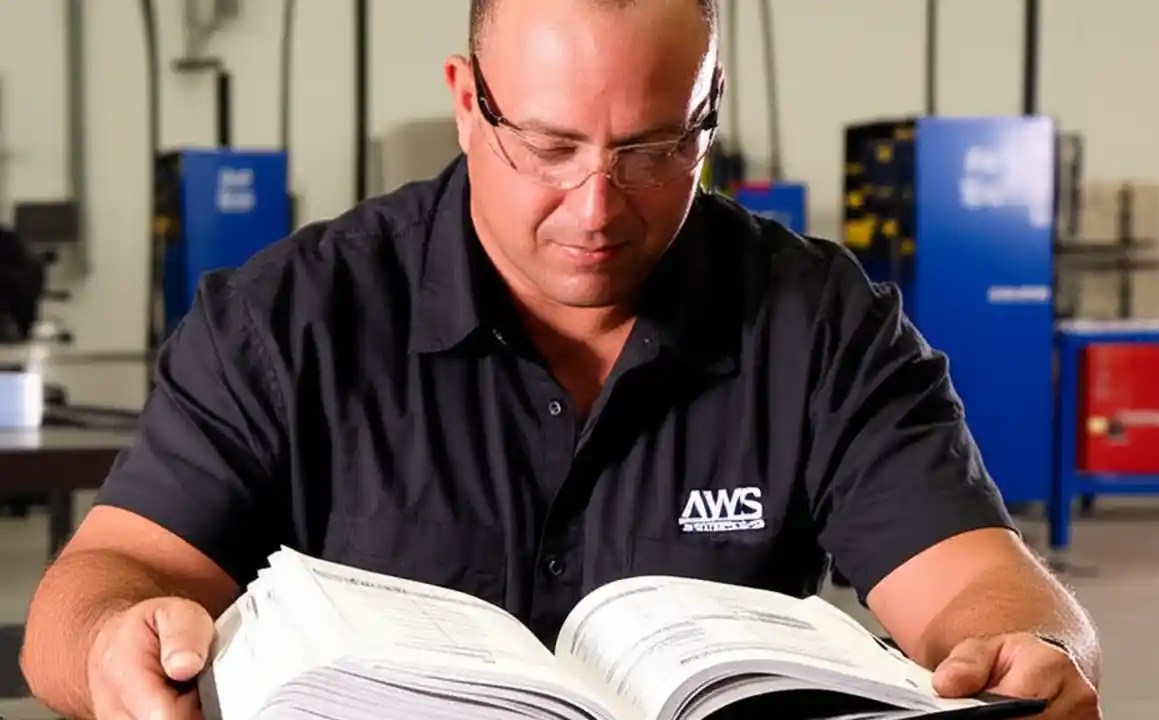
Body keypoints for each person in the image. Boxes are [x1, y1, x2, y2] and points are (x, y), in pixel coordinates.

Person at [20, 0, 1102, 718]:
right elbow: (96, 588)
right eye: (547, 148)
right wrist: (115, 643)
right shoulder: (290, 321)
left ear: (709, 114)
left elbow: (976, 582)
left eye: (653, 150)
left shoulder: (819, 327)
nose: (596, 209)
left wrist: (1025, 649)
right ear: (466, 101)